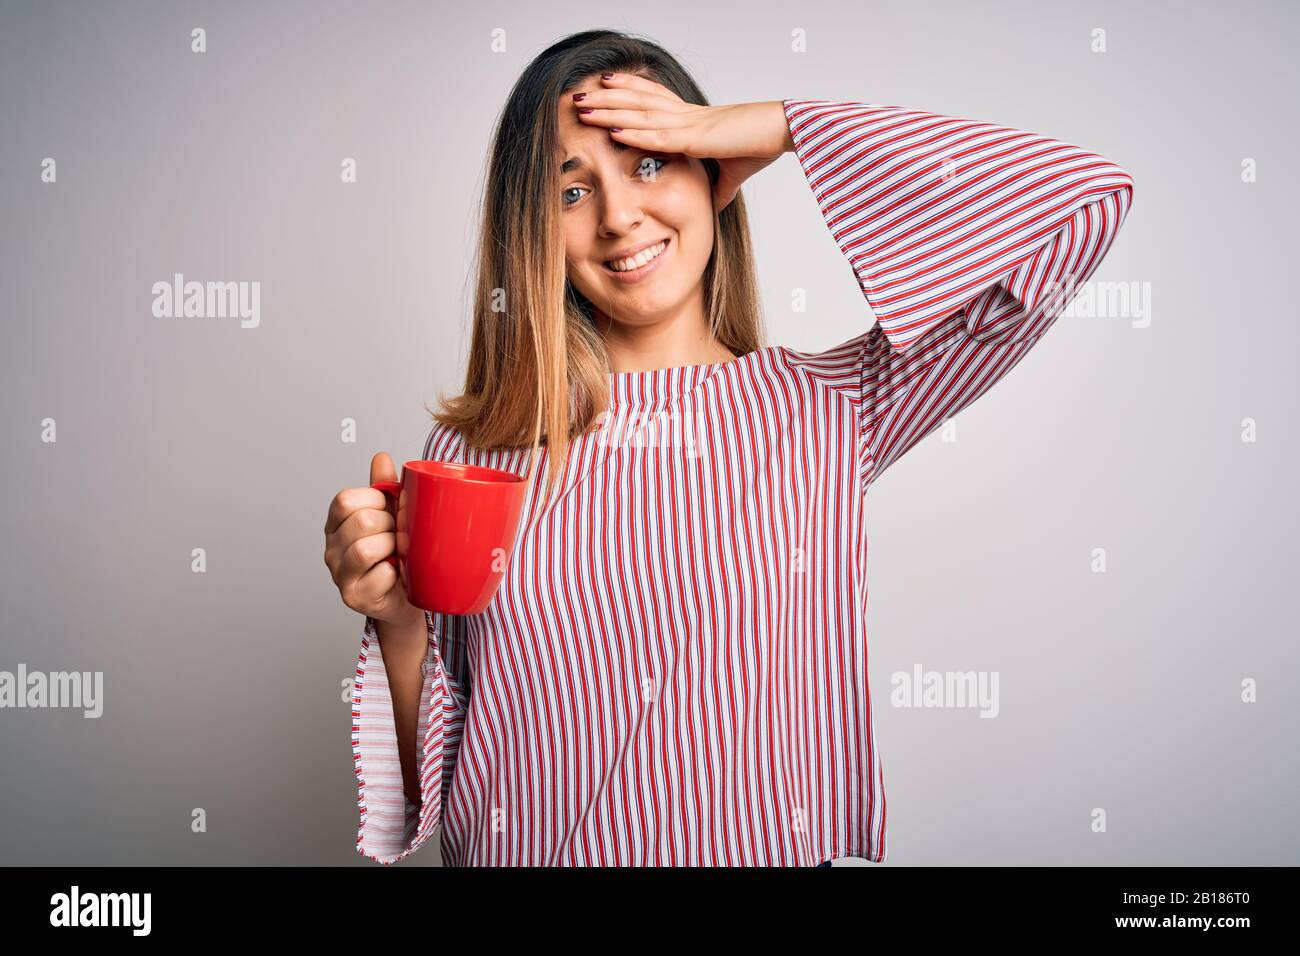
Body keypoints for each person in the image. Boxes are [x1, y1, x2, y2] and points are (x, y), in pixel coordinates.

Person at [322, 29, 1135, 866]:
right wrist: (398, 622)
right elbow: (446, 777)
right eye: (571, 193)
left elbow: (1084, 204)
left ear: (711, 172)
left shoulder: (834, 406)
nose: (619, 215)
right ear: (531, 230)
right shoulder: (475, 450)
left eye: (649, 162)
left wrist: (781, 128)